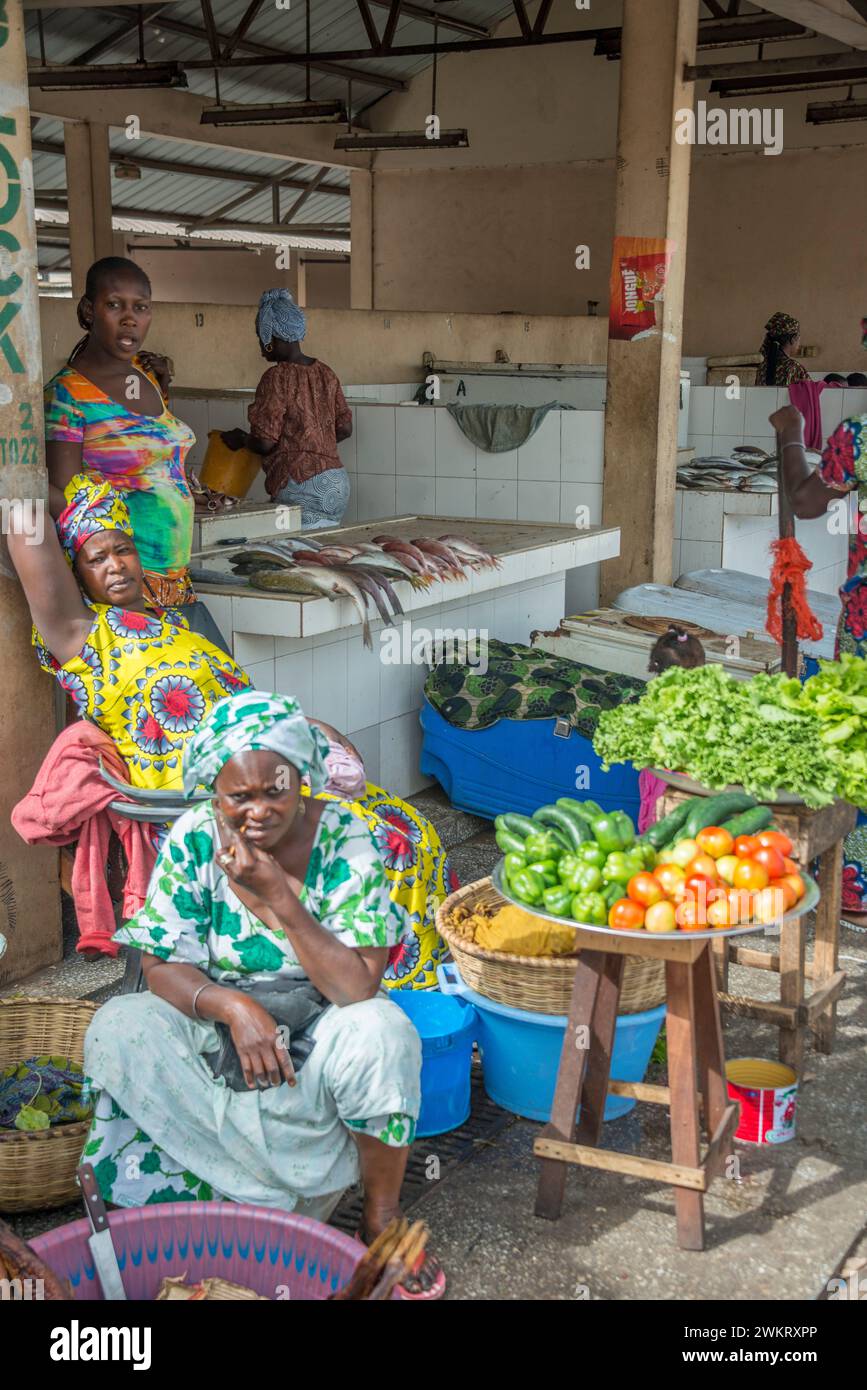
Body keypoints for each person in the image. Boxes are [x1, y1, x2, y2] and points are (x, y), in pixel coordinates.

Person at [82, 691, 445, 1299]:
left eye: (275, 791)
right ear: (215, 796)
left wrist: (280, 896)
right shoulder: (197, 835)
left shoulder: (347, 836)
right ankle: (227, 1191)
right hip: (222, 1013)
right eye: (238, 797)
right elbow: (162, 963)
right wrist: (232, 1007)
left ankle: (380, 1214)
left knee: (384, 1034)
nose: (258, 812)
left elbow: (356, 987)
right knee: (119, 1024)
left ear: (302, 779)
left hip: (323, 1015)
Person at [5, 473, 248, 795]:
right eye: (97, 559)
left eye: (123, 550)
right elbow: (25, 519)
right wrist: (80, 504)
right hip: (192, 804)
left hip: (258, 775)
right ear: (77, 577)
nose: (116, 565)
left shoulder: (178, 625)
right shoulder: (84, 635)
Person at [43, 256, 223, 647]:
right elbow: (65, 499)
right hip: (125, 596)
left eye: (140, 307)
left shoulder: (143, 379)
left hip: (177, 585)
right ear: (89, 311)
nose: (130, 318)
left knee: (218, 699)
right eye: (114, 305)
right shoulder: (68, 394)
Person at [771, 401, 867, 924]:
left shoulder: (859, 438)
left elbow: (805, 501)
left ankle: (858, 890)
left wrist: (792, 433)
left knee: (859, 742)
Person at [305, 719, 454, 991]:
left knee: (415, 824)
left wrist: (326, 731)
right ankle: (400, 974)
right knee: (395, 849)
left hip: (307, 773)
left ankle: (434, 947)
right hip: (274, 792)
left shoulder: (226, 676)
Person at [220, 288, 353, 530]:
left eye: (263, 337)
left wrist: (240, 438)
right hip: (337, 482)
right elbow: (344, 428)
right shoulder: (325, 372)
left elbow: (264, 443)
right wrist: (315, 444)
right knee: (321, 555)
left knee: (294, 558)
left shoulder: (277, 377)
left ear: (276, 337)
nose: (262, 346)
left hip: (302, 484)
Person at [639, 626, 706, 832]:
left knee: (658, 825)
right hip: (688, 783)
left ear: (656, 667)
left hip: (666, 779)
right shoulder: (707, 700)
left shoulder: (654, 702)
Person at [756, 311, 809, 387]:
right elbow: (811, 394)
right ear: (793, 339)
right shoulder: (794, 368)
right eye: (798, 338)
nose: (799, 343)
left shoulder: (762, 367)